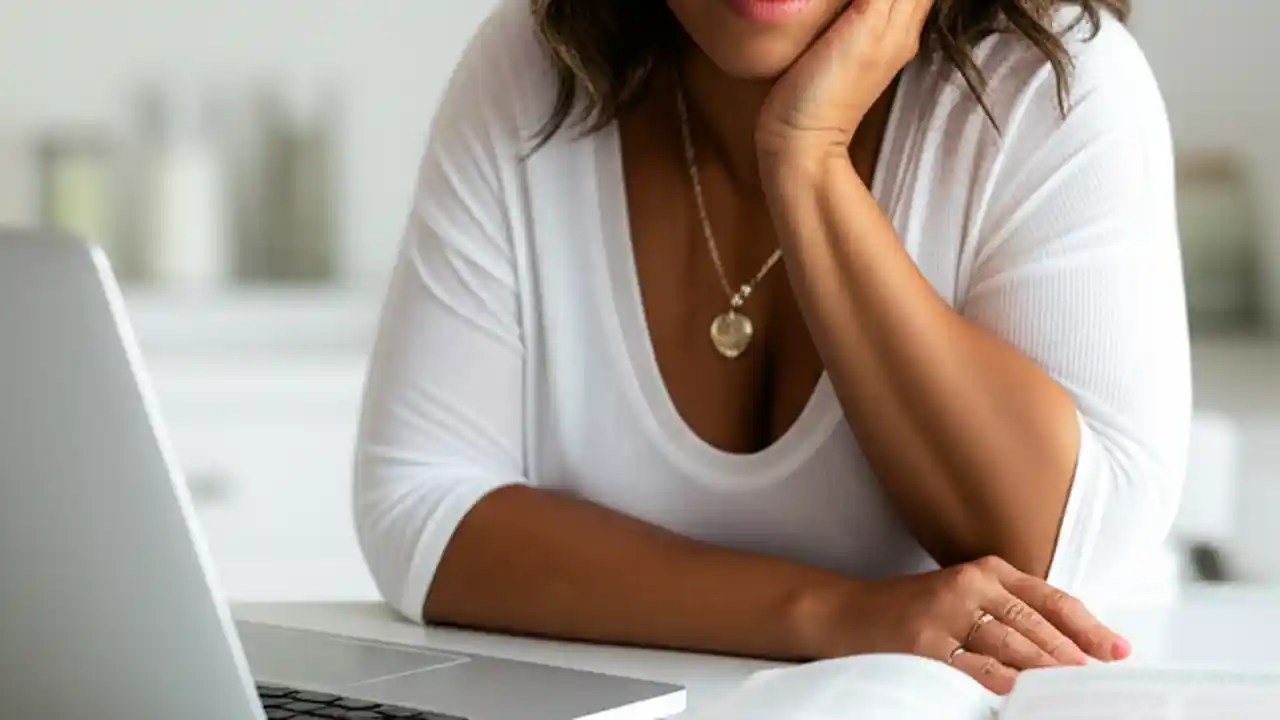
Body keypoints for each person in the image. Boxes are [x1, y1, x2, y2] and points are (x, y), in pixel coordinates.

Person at [354, 0, 1189, 694]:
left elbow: (1066, 555)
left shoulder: (1053, 80)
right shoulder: (544, 67)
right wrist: (840, 615)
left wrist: (807, 157)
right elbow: (421, 509)